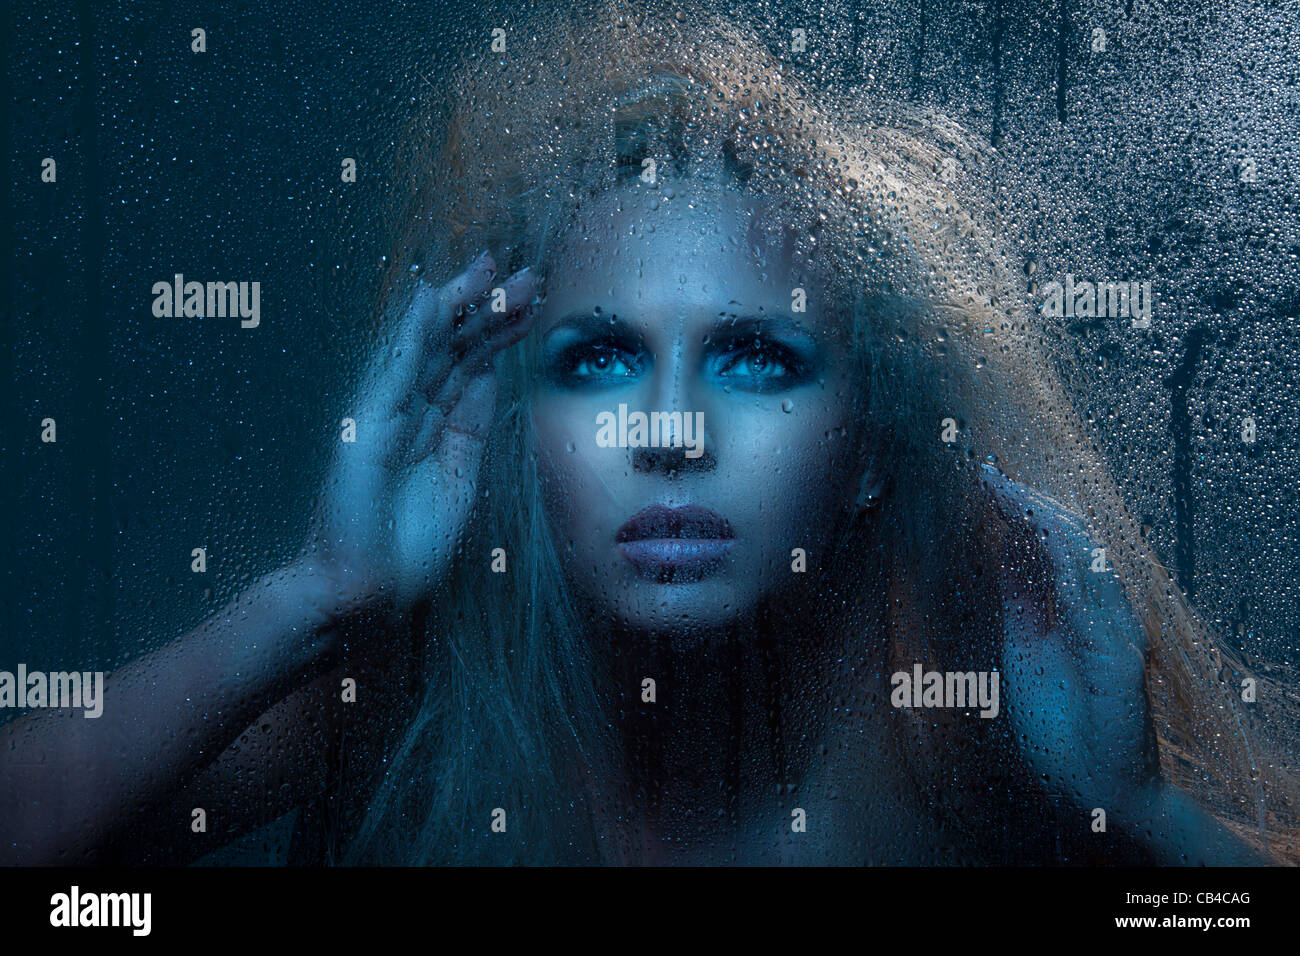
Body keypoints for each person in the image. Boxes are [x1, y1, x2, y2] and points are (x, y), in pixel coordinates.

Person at [1, 1, 1290, 866]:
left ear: (867, 458)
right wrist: (311, 600)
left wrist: (1140, 818)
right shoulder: (397, 692)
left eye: (756, 357)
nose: (671, 431)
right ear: (510, 429)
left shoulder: (969, 730)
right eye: (601, 358)